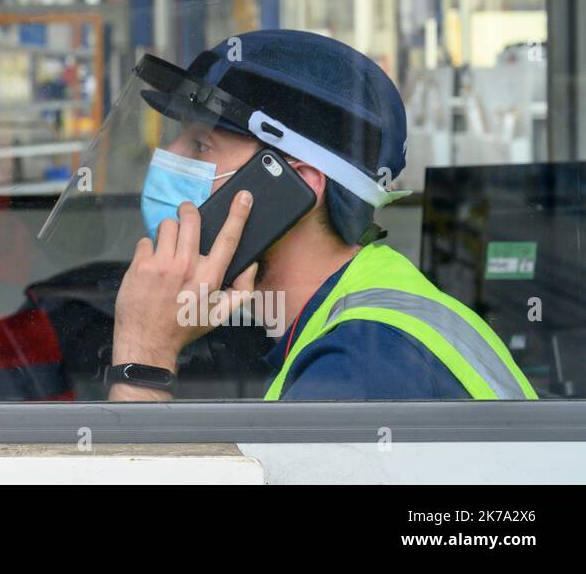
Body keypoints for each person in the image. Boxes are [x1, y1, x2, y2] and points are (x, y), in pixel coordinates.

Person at [102, 29, 535, 402]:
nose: (166, 161)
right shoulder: (347, 318)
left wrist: (145, 357)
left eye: (200, 147)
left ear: (296, 187)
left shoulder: (363, 363)